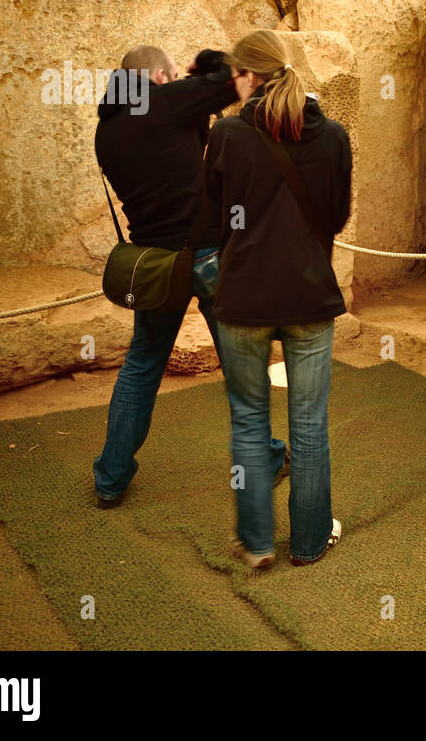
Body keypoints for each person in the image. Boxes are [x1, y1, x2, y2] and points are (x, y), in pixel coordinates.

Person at [204, 29, 352, 568]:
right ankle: (310, 541)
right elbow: (336, 217)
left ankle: (258, 543)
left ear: (247, 76)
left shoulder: (226, 137)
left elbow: (215, 217)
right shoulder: (333, 136)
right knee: (308, 424)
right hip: (309, 296)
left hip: (243, 296)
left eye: (234, 75)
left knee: (248, 418)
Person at [92, 44, 263, 507]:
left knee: (142, 365)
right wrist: (206, 62)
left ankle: (110, 478)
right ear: (162, 78)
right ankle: (263, 456)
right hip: (205, 254)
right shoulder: (165, 102)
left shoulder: (105, 131)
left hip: (154, 261)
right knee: (240, 365)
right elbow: (235, 76)